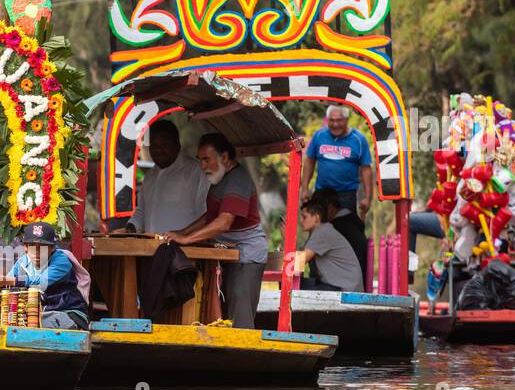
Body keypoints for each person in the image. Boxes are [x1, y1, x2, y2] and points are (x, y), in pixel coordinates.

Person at [163, 133, 268, 330]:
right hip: (231, 255)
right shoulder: (220, 180)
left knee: (240, 320)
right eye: (199, 160)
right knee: (227, 317)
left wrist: (186, 239)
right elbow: (209, 216)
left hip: (247, 257)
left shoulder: (238, 180)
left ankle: (244, 358)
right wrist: (182, 232)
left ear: (225, 158)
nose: (202, 166)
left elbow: (223, 222)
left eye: (206, 160)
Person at [0, 222, 89, 329]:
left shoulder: (62, 260)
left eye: (43, 246)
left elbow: (41, 280)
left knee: (38, 324)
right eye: (32, 246)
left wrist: (9, 281)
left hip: (67, 313)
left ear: (52, 248)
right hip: (36, 315)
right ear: (26, 247)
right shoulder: (22, 262)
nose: (37, 252)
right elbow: (8, 284)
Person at [125, 119, 210, 234]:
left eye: (164, 144)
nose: (158, 150)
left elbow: (206, 215)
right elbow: (141, 211)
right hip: (150, 249)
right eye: (154, 145)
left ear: (177, 144)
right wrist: (130, 227)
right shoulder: (150, 176)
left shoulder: (195, 171)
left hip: (184, 249)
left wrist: (186, 236)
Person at [301, 105, 373, 221]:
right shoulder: (319, 136)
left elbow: (366, 169)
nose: (335, 124)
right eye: (332, 120)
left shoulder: (359, 139)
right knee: (319, 232)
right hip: (321, 193)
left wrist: (367, 197)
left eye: (339, 120)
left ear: (346, 120)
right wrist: (304, 188)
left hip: (346, 196)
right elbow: (309, 161)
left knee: (344, 233)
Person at [291, 197, 365, 292]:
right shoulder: (321, 231)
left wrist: (288, 236)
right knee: (297, 286)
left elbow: (298, 263)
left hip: (345, 289)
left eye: (304, 217)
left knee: (290, 287)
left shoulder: (322, 233)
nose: (301, 221)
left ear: (316, 217)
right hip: (341, 286)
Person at [311, 186, 370, 284]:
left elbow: (307, 259)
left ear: (330, 208)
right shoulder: (353, 222)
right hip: (355, 284)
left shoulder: (332, 228)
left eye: (316, 212)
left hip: (341, 287)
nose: (315, 216)